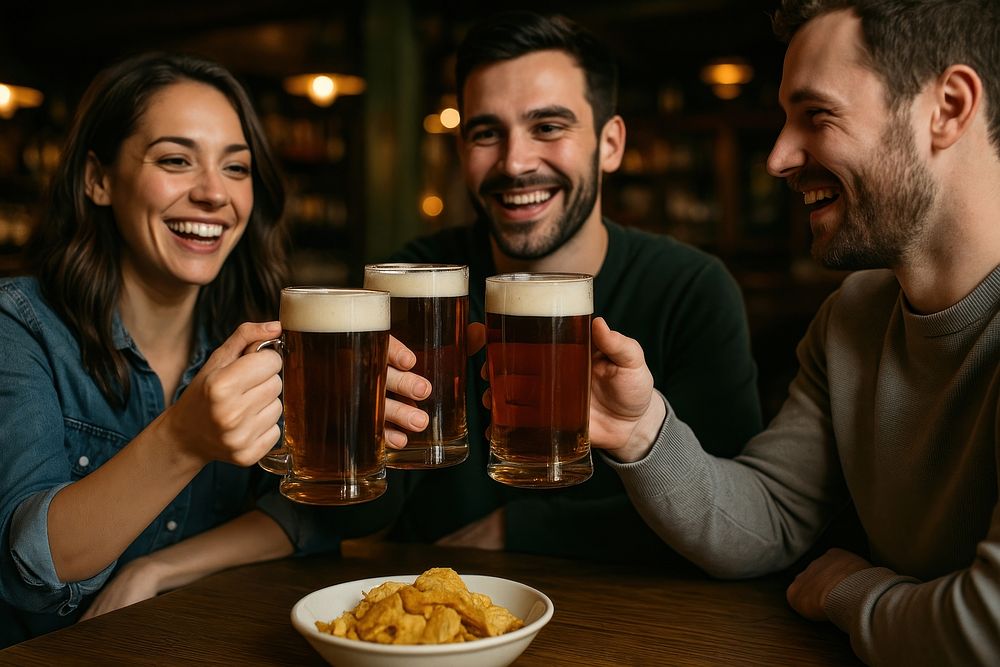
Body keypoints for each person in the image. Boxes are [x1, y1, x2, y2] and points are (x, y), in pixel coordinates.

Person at [583, 1, 1000, 663]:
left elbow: (985, 629)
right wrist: (640, 429)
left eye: (817, 115)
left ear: (947, 107)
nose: (777, 156)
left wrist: (850, 589)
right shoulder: (854, 315)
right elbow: (767, 518)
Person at [0, 52, 430, 647]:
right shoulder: (22, 325)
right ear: (97, 179)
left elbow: (323, 511)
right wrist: (183, 440)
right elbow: (26, 564)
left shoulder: (267, 332)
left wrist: (158, 568)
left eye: (236, 168)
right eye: (176, 161)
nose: (213, 194)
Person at [378, 11, 763, 563]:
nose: (514, 163)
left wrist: (519, 531)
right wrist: (360, 442)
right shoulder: (416, 284)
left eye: (548, 127)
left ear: (610, 143)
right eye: (486, 133)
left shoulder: (689, 289)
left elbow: (734, 513)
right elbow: (361, 508)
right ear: (462, 150)